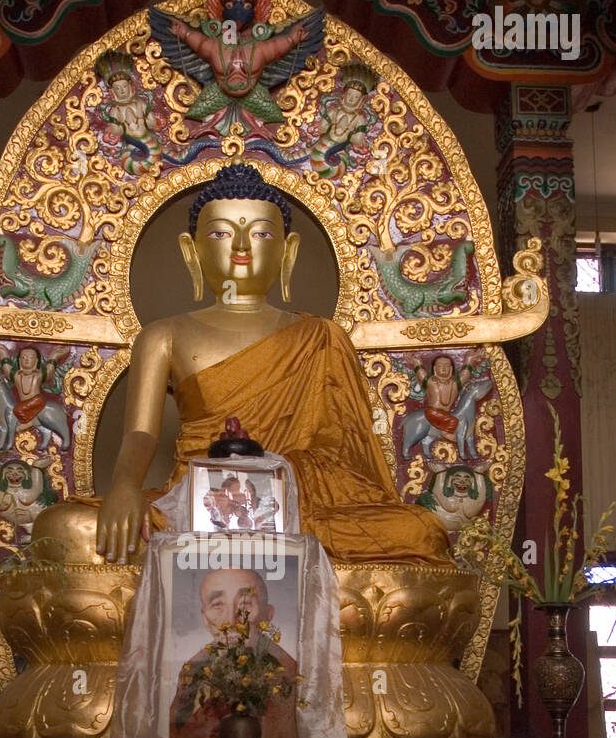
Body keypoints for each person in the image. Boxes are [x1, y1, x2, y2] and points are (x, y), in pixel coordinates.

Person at [83, 161, 452, 567]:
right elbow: (140, 434)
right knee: (70, 527)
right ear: (192, 250)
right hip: (193, 503)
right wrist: (124, 486)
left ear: (287, 250)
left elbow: (338, 449)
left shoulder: (319, 337)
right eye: (221, 233)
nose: (241, 247)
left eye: (261, 233)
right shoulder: (163, 335)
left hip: (298, 506)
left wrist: (276, 480)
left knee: (421, 531)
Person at [168, 568, 297, 738]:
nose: (231, 620)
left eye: (245, 604)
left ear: (267, 615)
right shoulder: (193, 670)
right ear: (205, 618)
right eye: (217, 605)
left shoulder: (287, 675)